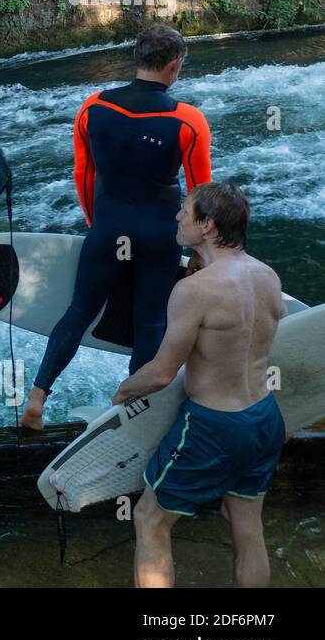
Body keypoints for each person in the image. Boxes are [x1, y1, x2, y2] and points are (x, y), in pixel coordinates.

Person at [21, 26, 213, 429]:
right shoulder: (189, 121)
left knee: (77, 312)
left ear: (136, 59)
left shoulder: (92, 108)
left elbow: (83, 174)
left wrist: (98, 226)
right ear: (174, 66)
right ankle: (130, 414)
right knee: (149, 324)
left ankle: (36, 399)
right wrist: (200, 251)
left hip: (108, 226)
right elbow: (200, 195)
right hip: (160, 234)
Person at [114, 182, 286, 588]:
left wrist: (123, 391)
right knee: (247, 527)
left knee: (149, 519)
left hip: (214, 425)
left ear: (207, 225)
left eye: (185, 212)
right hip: (264, 416)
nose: (177, 216)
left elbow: (160, 374)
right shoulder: (267, 276)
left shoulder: (192, 291)